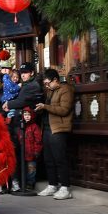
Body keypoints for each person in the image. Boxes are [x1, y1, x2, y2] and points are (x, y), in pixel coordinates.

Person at [36, 68, 75, 199]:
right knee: (48, 159)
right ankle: (52, 185)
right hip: (47, 128)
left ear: (55, 80)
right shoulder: (50, 91)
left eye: (48, 83)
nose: (46, 86)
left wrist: (45, 107)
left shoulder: (65, 89)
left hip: (59, 129)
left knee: (60, 159)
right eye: (45, 84)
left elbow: (64, 110)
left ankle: (65, 187)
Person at [4, 62, 44, 192]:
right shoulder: (25, 85)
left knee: (29, 157)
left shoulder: (32, 85)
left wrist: (9, 104)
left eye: (25, 73)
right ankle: (21, 182)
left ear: (32, 72)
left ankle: (29, 183)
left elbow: (23, 101)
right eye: (21, 73)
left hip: (30, 126)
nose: (23, 75)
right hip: (20, 127)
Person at [21, 107, 42, 191]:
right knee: (23, 169)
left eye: (29, 115)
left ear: (32, 115)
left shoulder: (34, 127)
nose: (27, 116)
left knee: (31, 170)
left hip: (31, 153)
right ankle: (23, 183)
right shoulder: (21, 126)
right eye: (25, 114)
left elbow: (38, 140)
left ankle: (30, 184)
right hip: (23, 153)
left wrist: (36, 151)